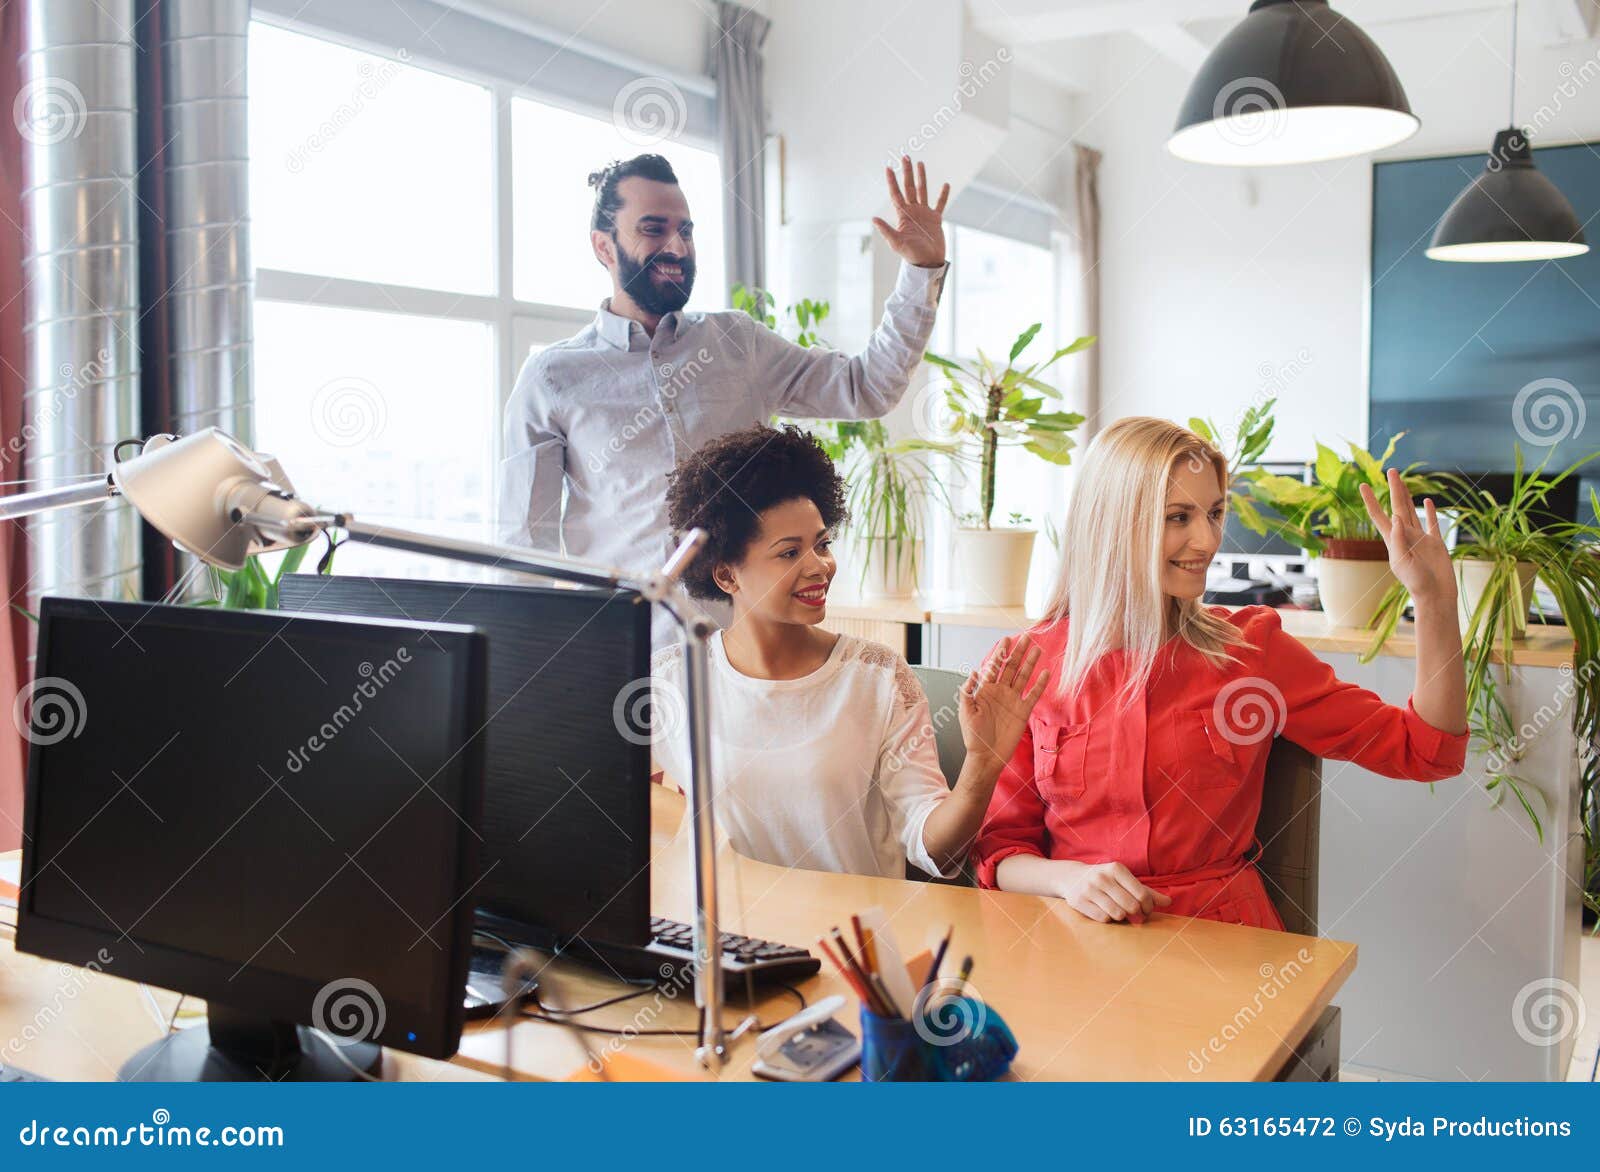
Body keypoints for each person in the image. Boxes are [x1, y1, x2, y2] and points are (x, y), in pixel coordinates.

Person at [973, 416, 1469, 928]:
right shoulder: (1024, 665)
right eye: (1178, 517)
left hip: (1223, 938)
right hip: (1080, 941)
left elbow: (1425, 750)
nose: (1208, 540)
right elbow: (999, 851)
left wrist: (1433, 602)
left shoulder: (1253, 650)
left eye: (1213, 513)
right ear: (1112, 524)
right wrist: (1069, 879)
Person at [499, 152, 951, 642]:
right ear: (603, 247)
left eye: (686, 231)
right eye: (653, 229)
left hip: (750, 654)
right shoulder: (552, 377)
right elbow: (525, 552)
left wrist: (921, 269)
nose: (676, 246)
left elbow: (865, 388)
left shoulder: (738, 342)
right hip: (623, 656)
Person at [650, 423, 1048, 880]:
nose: (820, 566)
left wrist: (981, 767)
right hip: (729, 939)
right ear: (727, 576)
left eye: (822, 544)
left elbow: (934, 852)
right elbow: (616, 814)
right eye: (789, 553)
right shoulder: (672, 681)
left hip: (851, 941)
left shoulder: (877, 678)